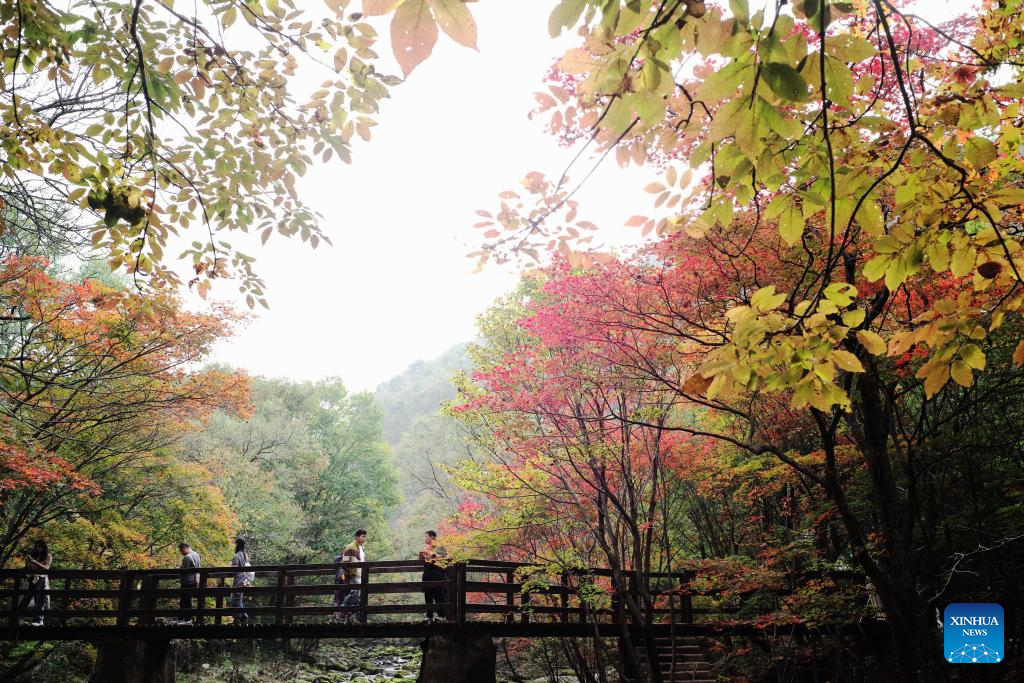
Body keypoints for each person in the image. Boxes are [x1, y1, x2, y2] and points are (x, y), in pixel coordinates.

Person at [18, 540, 51, 626]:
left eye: (39, 546)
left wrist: (35, 562)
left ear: (43, 547)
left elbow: (46, 568)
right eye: (36, 546)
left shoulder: (48, 556)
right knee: (27, 597)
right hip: (32, 578)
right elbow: (29, 568)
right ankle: (18, 617)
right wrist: (28, 562)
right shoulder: (34, 556)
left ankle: (39, 620)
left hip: (41, 579)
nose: (37, 548)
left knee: (39, 599)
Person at [337, 529, 367, 624]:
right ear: (357, 537)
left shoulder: (361, 548)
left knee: (360, 596)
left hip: (361, 575)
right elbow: (344, 562)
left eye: (365, 536)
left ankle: (354, 617)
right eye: (363, 536)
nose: (364, 538)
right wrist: (347, 575)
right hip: (353, 575)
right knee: (355, 593)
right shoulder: (349, 547)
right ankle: (342, 611)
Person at [419, 530, 447, 622]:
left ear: (432, 537)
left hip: (437, 575)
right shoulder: (427, 548)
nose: (425, 538)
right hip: (427, 575)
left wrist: (434, 555)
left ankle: (441, 615)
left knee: (438, 596)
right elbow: (425, 561)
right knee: (428, 596)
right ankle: (429, 616)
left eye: (426, 536)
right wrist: (421, 557)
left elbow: (444, 558)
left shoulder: (440, 547)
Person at [229, 537, 254, 625]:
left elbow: (235, 567)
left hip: (239, 578)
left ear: (237, 545)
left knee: (236, 597)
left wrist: (229, 567)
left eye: (235, 544)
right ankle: (242, 614)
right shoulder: (244, 554)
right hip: (244, 578)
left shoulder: (237, 555)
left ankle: (238, 619)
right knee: (237, 597)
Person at [177, 542, 201, 625]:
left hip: (187, 581)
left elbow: (184, 571)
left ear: (184, 548)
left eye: (181, 550)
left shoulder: (187, 557)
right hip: (194, 580)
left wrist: (179, 569)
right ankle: (186, 619)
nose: (181, 553)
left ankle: (186, 619)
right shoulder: (196, 555)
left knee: (184, 601)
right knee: (187, 600)